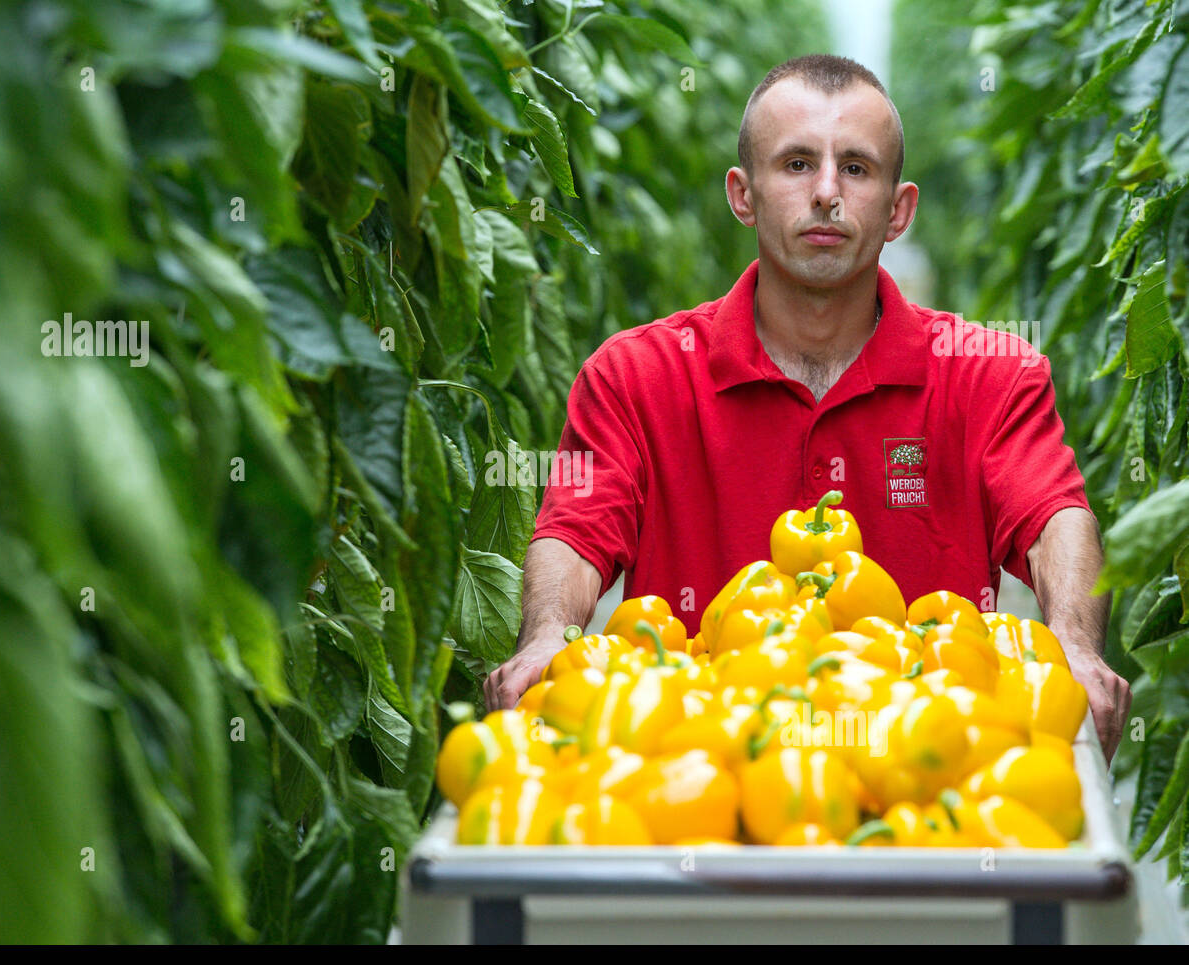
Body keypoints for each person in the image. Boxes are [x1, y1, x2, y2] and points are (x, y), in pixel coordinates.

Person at [482, 54, 1131, 763]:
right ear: (743, 194)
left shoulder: (992, 376)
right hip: (698, 767)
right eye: (795, 164)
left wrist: (1072, 642)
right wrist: (548, 633)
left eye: (856, 168)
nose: (826, 193)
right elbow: (577, 533)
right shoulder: (633, 375)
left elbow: (1054, 518)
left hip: (924, 769)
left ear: (899, 208)